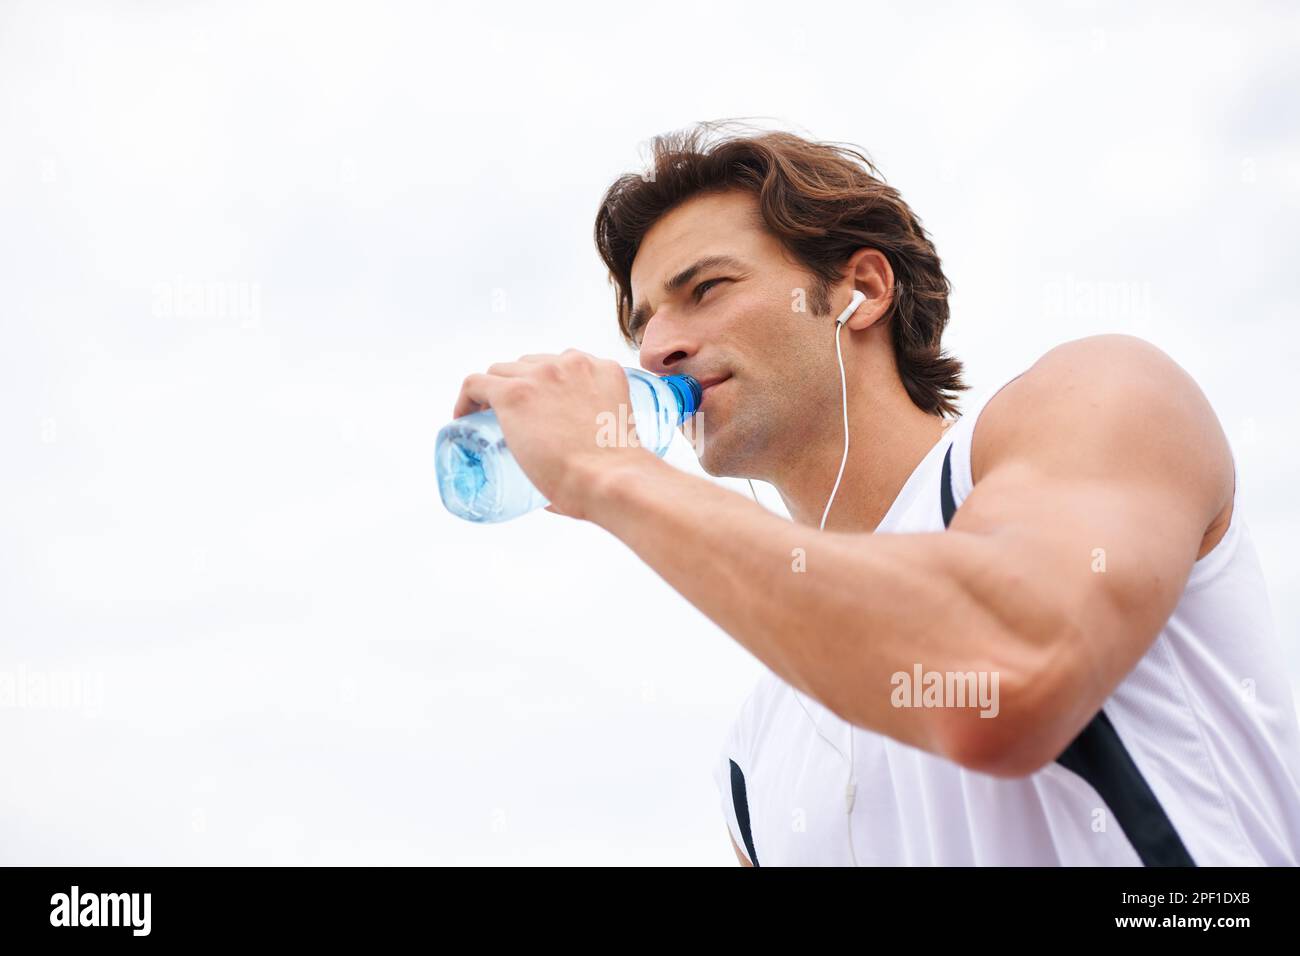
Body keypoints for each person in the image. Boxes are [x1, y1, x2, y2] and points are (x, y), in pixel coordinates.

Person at [451, 123, 1300, 866]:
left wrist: (609, 472)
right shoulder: (753, 762)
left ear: (861, 289)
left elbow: (1002, 676)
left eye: (705, 289)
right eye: (641, 326)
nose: (658, 349)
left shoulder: (1097, 396)